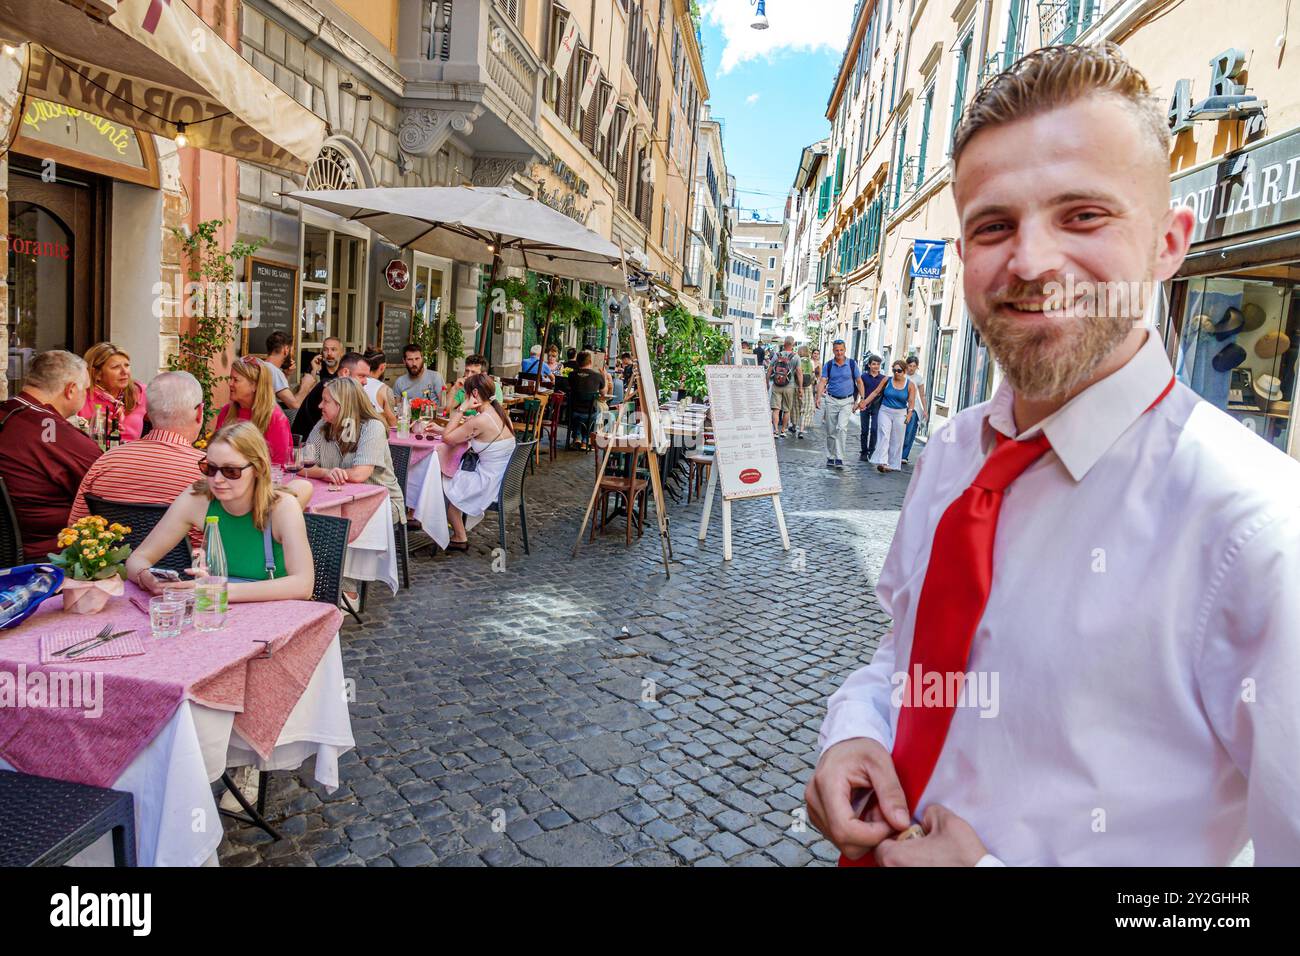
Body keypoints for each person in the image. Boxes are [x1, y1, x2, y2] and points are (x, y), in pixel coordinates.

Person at [806, 43, 1300, 868]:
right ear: (963, 259)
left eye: (1084, 215)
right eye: (994, 226)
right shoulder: (951, 453)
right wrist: (854, 729)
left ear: (1168, 244)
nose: (1031, 263)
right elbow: (904, 651)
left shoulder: (1262, 533)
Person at [126, 421, 313, 601]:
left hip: (275, 615)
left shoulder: (282, 507)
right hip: (217, 612)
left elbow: (303, 585)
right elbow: (138, 559)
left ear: (258, 469)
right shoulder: (198, 499)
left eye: (231, 471)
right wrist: (146, 577)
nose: (217, 479)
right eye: (210, 468)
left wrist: (218, 590)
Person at [0, 350, 100, 559]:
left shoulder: (8, 415)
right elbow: (105, 491)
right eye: (85, 389)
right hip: (47, 560)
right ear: (71, 390)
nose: (86, 395)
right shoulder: (56, 435)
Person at [71, 371, 206, 524]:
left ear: (147, 415)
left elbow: (76, 527)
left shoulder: (106, 462)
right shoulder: (207, 471)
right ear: (199, 413)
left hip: (116, 547)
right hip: (186, 548)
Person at [303, 376, 406, 525]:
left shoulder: (372, 427)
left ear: (342, 404)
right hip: (336, 498)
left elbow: (359, 474)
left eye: (325, 401)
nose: (320, 405)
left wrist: (329, 474)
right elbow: (302, 465)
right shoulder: (324, 424)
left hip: (379, 502)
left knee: (328, 524)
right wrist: (325, 473)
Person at [438, 373, 516, 552]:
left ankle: (459, 535)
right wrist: (440, 428)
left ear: (474, 393)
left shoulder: (480, 420)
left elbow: (448, 439)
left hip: (488, 483)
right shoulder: (500, 413)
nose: (464, 398)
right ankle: (458, 533)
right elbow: (458, 433)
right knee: (453, 475)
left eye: (465, 394)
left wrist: (461, 409)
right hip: (504, 480)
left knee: (443, 479)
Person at [214, 355, 293, 466]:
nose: (230, 383)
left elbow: (279, 465)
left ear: (254, 385)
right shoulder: (226, 412)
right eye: (230, 378)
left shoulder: (275, 418)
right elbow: (216, 450)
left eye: (235, 380)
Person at [80, 342, 148, 442]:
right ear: (96, 373)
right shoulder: (80, 396)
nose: (125, 372)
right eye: (116, 367)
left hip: (130, 455)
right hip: (93, 456)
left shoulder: (140, 392)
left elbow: (165, 421)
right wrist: (87, 425)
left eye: (127, 365)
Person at [862, 360, 915, 473]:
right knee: (884, 434)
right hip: (885, 410)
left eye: (899, 371)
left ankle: (893, 463)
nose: (896, 373)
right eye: (894, 370)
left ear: (904, 371)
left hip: (900, 413)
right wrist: (864, 402)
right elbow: (876, 392)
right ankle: (882, 462)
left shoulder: (910, 384)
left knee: (897, 439)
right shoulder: (887, 380)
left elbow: (911, 401)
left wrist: (909, 414)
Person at [817, 340, 862, 470]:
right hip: (831, 399)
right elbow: (823, 381)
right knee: (831, 430)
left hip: (847, 400)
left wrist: (862, 398)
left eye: (841, 350)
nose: (839, 352)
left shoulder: (852, 364)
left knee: (842, 428)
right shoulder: (829, 365)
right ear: (833, 351)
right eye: (836, 350)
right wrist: (818, 397)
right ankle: (830, 456)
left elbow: (859, 381)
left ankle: (840, 457)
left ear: (845, 350)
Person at [291, 336, 343, 441]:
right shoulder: (315, 369)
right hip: (312, 423)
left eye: (333, 350)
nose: (329, 353)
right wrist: (314, 371)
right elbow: (307, 396)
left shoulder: (343, 372)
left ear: (341, 353)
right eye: (325, 350)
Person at [262, 330, 316, 411]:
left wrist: (286, 375)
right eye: (292, 348)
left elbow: (279, 395)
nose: (293, 352)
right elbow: (295, 405)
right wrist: (306, 386)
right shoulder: (274, 371)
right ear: (286, 349)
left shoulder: (264, 365)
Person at [565, 350, 609, 451]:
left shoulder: (572, 375)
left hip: (574, 412)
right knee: (596, 411)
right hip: (590, 413)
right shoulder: (598, 376)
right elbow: (604, 393)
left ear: (577, 362)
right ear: (590, 362)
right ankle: (585, 441)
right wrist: (605, 377)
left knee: (578, 413)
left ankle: (577, 437)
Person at [768, 336, 802, 438]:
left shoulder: (777, 355)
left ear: (784, 343)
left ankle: (775, 431)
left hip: (777, 385)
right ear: (793, 344)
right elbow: (799, 373)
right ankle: (783, 430)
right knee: (787, 410)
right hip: (789, 386)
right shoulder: (796, 357)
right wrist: (800, 388)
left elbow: (769, 370)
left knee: (776, 409)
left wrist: (766, 382)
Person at [857, 355, 887, 461]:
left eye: (878, 364)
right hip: (865, 406)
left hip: (877, 407)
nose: (876, 366)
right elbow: (859, 389)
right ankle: (864, 452)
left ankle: (872, 451)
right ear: (869, 365)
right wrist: (858, 402)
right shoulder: (863, 377)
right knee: (864, 430)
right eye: (874, 364)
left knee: (874, 429)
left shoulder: (883, 379)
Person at [361, 348, 399, 428]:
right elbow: (393, 424)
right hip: (375, 435)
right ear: (382, 367)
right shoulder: (384, 390)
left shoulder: (353, 383)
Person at [901, 355, 928, 463]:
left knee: (909, 433)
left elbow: (922, 395)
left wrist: (925, 410)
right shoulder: (902, 376)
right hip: (902, 406)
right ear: (906, 365)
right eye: (910, 365)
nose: (911, 368)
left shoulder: (919, 379)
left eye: (914, 366)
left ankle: (904, 455)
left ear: (917, 367)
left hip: (915, 409)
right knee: (901, 432)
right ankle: (897, 453)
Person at [793, 345, 817, 440]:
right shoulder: (810, 361)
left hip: (797, 387)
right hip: (807, 388)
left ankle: (794, 426)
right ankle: (801, 430)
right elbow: (813, 375)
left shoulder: (796, 359)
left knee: (796, 407)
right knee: (806, 409)